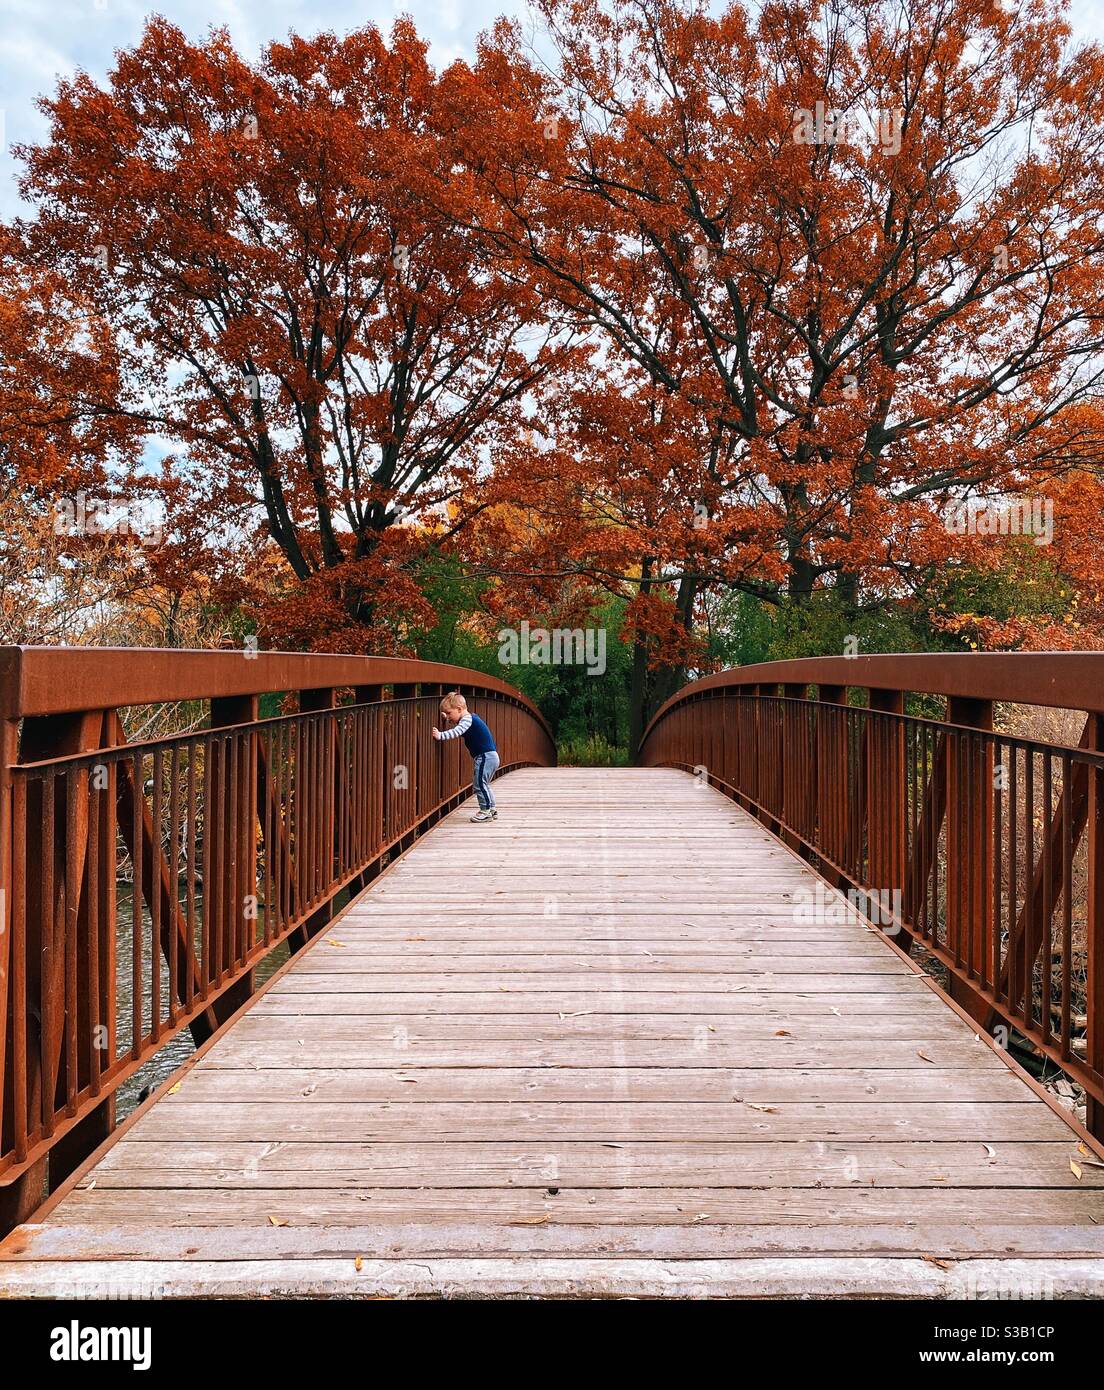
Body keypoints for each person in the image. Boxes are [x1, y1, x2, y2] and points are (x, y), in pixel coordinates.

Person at [431, 691, 500, 822]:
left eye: (449, 713)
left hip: (485, 757)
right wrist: (446, 717)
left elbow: (457, 731)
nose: (449, 717)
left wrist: (440, 735)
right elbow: (459, 725)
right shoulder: (469, 718)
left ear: (459, 709)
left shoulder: (467, 720)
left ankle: (485, 811)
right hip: (490, 756)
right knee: (484, 784)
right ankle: (492, 809)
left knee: (479, 784)